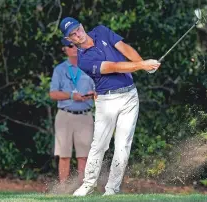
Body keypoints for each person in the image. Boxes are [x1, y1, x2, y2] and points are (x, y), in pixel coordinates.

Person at [59, 17, 161, 196]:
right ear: (69, 40)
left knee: (123, 145)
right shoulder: (84, 60)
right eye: (73, 35)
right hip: (107, 101)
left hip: (130, 97)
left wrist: (143, 63)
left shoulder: (101, 31)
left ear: (82, 26)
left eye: (78, 29)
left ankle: (112, 190)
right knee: (100, 145)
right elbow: (113, 67)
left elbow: (124, 48)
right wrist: (141, 66)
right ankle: (88, 184)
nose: (78, 35)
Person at [49, 38, 95, 184]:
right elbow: (53, 94)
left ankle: (83, 187)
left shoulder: (89, 67)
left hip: (85, 115)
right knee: (64, 155)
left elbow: (98, 90)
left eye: (76, 45)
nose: (74, 48)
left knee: (84, 155)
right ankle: (63, 189)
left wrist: (91, 94)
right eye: (70, 46)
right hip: (65, 116)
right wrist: (71, 95)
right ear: (65, 49)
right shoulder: (60, 69)